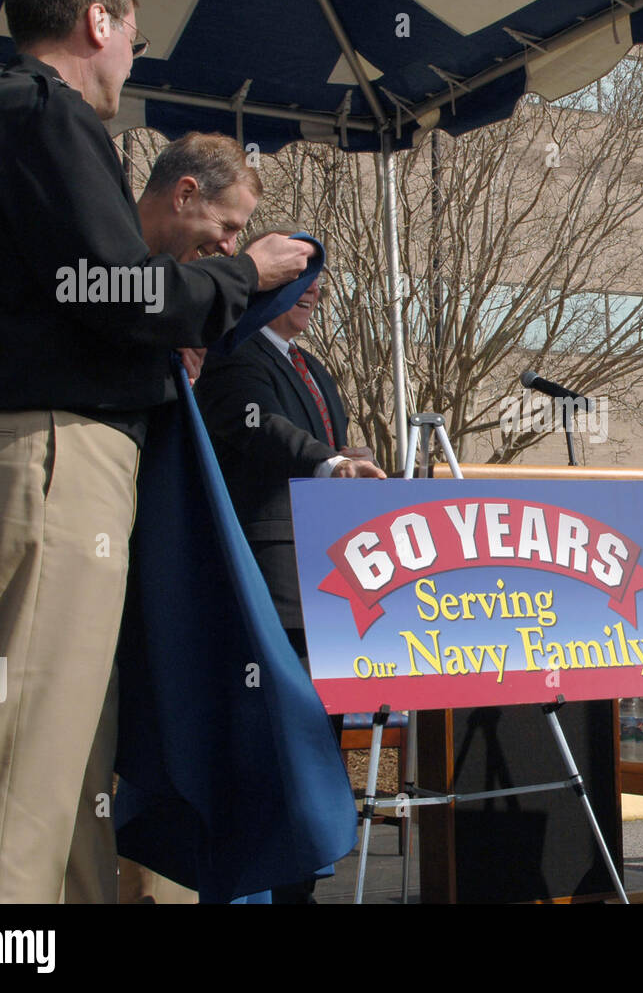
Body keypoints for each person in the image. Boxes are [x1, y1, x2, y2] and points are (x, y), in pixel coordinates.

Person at [0, 0, 314, 904]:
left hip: (29, 455)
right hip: (50, 457)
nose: (133, 61)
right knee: (28, 771)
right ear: (98, 22)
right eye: (134, 39)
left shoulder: (8, 123)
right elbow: (123, 293)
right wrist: (244, 274)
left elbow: (85, 297)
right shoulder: (46, 115)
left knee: (62, 765)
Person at [195, 228, 384, 901]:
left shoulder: (314, 368)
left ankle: (302, 875)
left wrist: (348, 460)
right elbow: (258, 428)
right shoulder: (237, 357)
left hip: (325, 581)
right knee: (271, 748)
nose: (312, 300)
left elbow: (325, 441)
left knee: (315, 745)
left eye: (320, 291)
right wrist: (326, 461)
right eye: (303, 287)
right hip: (275, 583)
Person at [117, 130, 269, 905]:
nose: (229, 246)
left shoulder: (169, 287)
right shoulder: (109, 260)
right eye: (227, 227)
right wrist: (249, 271)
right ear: (184, 195)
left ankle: (161, 883)